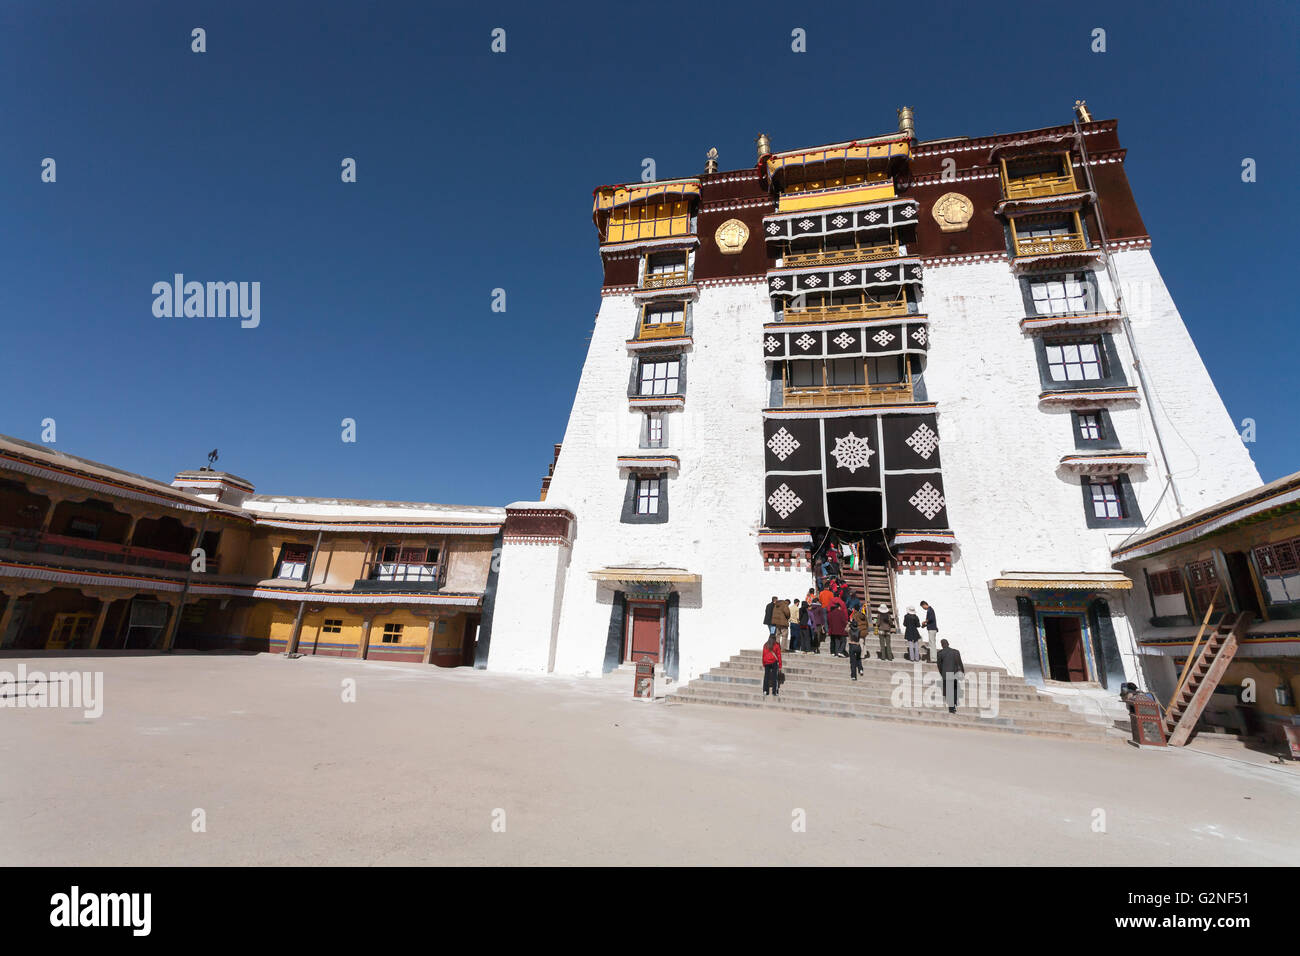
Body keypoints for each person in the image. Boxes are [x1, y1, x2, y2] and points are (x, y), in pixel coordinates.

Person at [936, 638, 965, 713]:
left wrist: (942, 673)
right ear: (948, 644)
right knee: (954, 690)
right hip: (954, 674)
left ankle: (951, 708)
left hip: (946, 674)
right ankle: (954, 704)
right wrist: (962, 672)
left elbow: (939, 665)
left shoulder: (940, 653)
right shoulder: (955, 652)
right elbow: (960, 663)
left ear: (942, 645)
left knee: (949, 691)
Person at [762, 632, 783, 698]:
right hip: (774, 662)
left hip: (767, 662)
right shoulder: (776, 645)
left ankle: (765, 691)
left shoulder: (765, 645)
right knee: (774, 677)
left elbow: (763, 655)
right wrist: (780, 665)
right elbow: (779, 656)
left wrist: (763, 663)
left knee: (766, 677)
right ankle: (774, 692)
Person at [846, 612, 864, 680]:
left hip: (852, 645)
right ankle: (861, 669)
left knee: (853, 662)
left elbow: (845, 629)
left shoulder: (850, 630)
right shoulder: (859, 630)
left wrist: (848, 624)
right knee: (858, 659)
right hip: (858, 645)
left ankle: (853, 675)